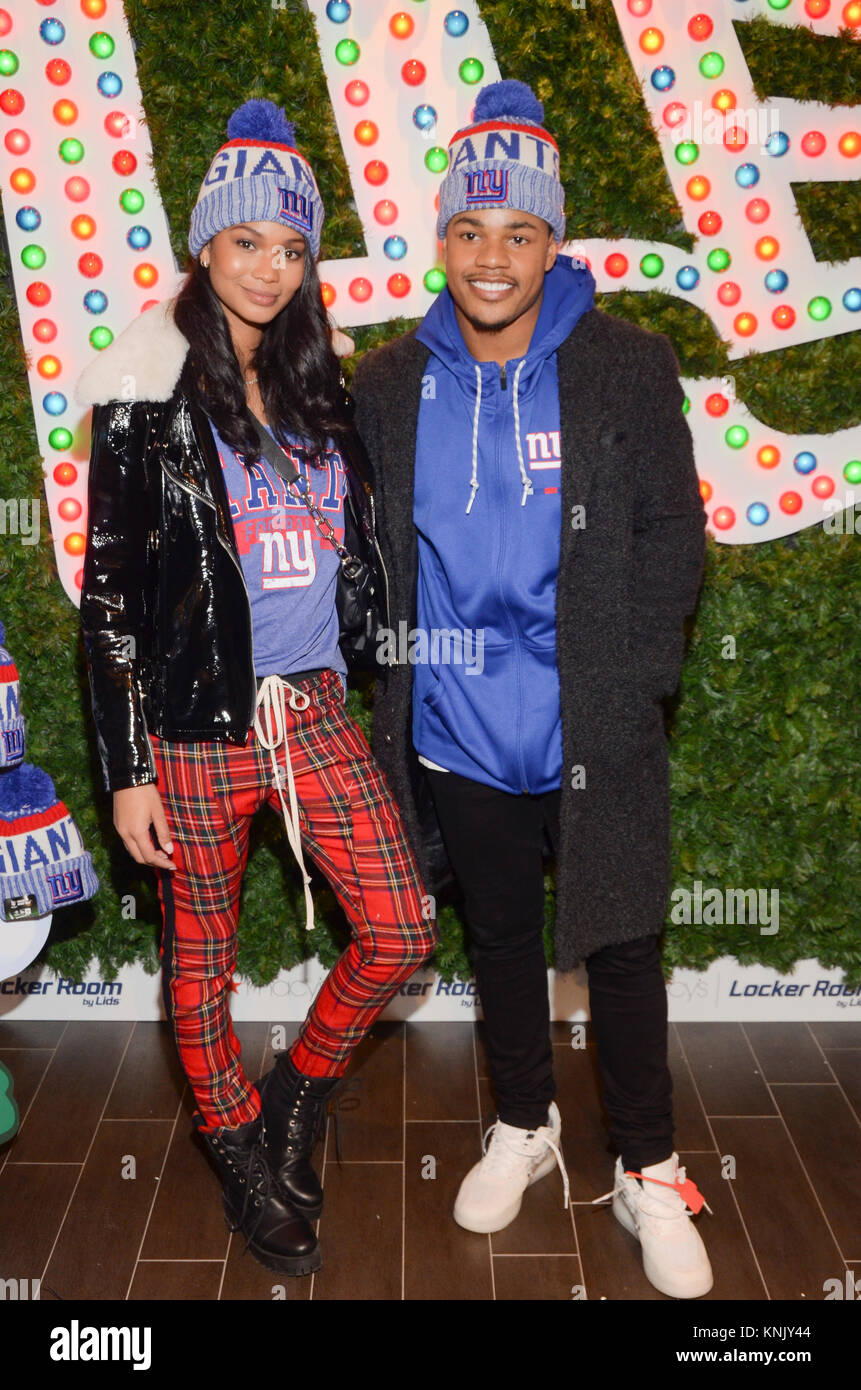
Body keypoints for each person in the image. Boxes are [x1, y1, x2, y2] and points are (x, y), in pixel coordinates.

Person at [352, 80, 713, 1300]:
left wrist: (644, 680)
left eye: (520, 233)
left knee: (619, 945)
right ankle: (524, 1123)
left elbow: (674, 532)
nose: (492, 257)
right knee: (500, 939)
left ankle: (651, 1169)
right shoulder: (392, 383)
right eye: (470, 230)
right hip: (455, 723)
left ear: (554, 243)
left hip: (593, 723)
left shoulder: (628, 364)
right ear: (441, 239)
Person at [77, 99, 435, 1278]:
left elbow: (357, 555)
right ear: (204, 246)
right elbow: (115, 595)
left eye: (292, 248)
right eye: (248, 244)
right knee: (200, 961)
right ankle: (234, 1143)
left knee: (398, 927)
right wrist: (126, 765)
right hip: (192, 725)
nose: (272, 268)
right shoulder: (147, 391)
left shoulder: (320, 386)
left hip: (314, 710)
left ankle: (292, 1089)